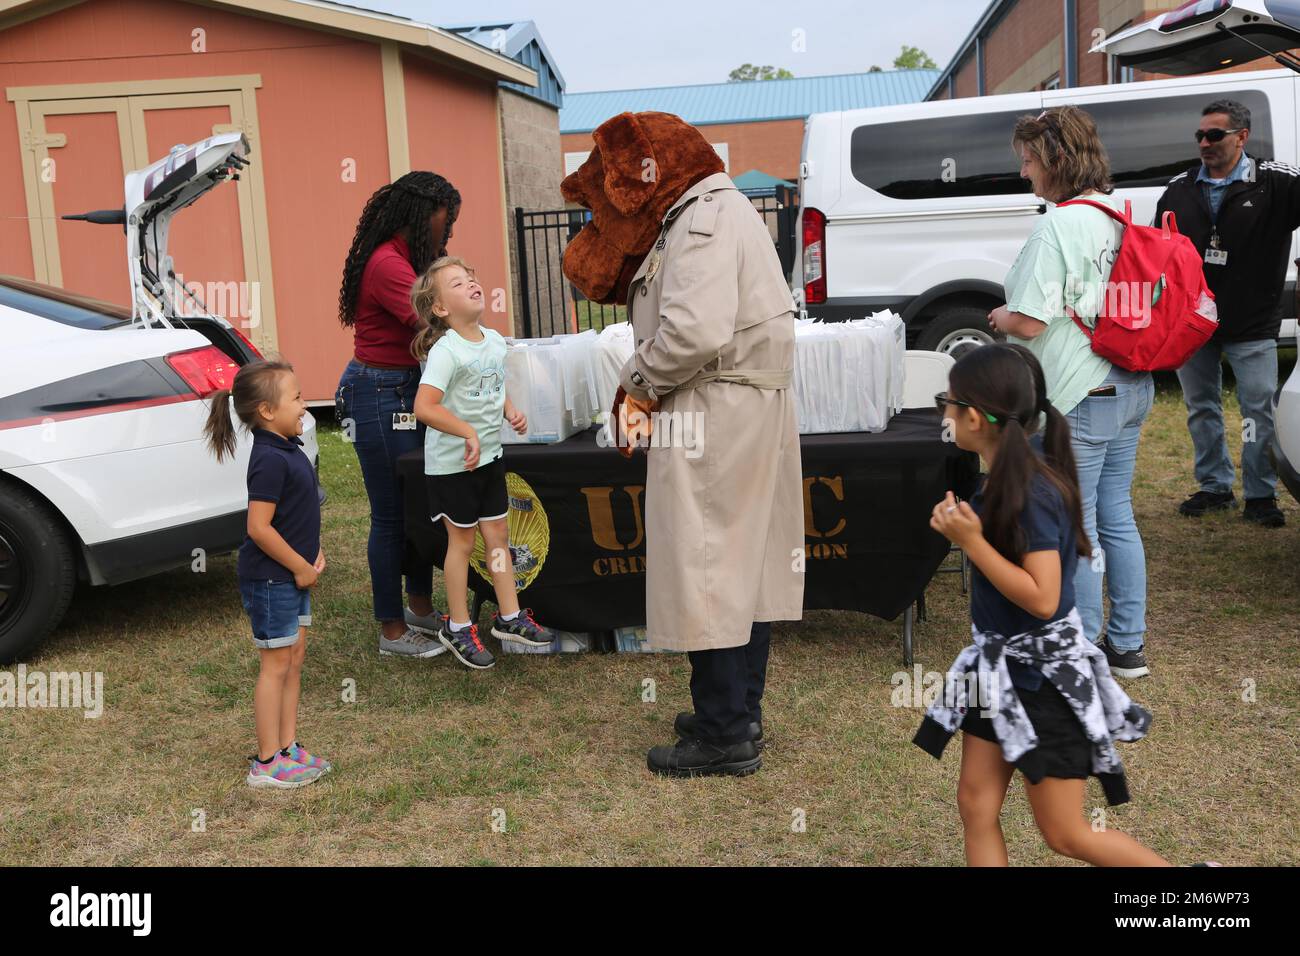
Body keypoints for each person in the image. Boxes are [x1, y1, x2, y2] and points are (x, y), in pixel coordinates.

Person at [559, 111, 804, 778]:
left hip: (714, 404)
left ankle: (725, 731)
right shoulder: (719, 209)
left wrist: (636, 382)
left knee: (710, 565)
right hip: (738, 401)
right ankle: (736, 714)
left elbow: (693, 332)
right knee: (739, 565)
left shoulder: (700, 218)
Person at [915, 344, 1166, 867]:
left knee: (1067, 834)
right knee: (976, 804)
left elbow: (1043, 597)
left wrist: (972, 543)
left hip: (1046, 682)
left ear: (977, 417)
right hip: (996, 672)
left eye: (948, 401)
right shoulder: (999, 480)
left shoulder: (1031, 491)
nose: (943, 413)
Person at [987, 106, 1154, 680]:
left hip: (1081, 392)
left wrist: (998, 316)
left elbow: (1031, 321)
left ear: (1054, 159)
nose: (1024, 172)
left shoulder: (1057, 225)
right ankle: (1126, 644)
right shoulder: (1118, 213)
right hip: (1129, 382)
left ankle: (1076, 648)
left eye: (1028, 160)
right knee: (1116, 514)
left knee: (1073, 524)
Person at [337, 171, 462, 658]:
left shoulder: (408, 259)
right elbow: (436, 321)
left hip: (406, 388)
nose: (446, 227)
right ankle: (391, 631)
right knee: (391, 514)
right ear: (418, 214)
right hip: (379, 394)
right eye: (442, 217)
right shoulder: (388, 265)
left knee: (416, 508)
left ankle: (419, 607)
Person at [1156, 99, 1297, 529]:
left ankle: (1260, 493)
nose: (1204, 143)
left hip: (1252, 320)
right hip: (1192, 322)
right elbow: (1157, 246)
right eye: (1200, 135)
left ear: (1241, 137)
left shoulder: (1276, 181)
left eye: (1214, 135)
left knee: (1257, 409)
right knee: (1201, 406)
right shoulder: (1180, 186)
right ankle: (1215, 486)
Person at [411, 257, 552, 668]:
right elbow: (424, 407)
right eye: (457, 283)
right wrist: (467, 433)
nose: (471, 283)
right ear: (440, 308)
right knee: (463, 542)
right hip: (453, 467)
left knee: (499, 537)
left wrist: (509, 410)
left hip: (489, 459)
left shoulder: (492, 340)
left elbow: (493, 382)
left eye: (471, 277)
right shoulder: (445, 351)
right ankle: (457, 625)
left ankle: (509, 616)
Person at [204, 360, 331, 789]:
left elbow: (298, 514)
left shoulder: (288, 447)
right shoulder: (268, 459)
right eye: (295, 397)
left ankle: (288, 747)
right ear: (267, 411)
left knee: (294, 660)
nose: (304, 403)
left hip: (294, 575)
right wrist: (298, 566)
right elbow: (259, 527)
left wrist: (312, 554)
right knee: (275, 665)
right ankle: (266, 762)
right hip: (272, 579)